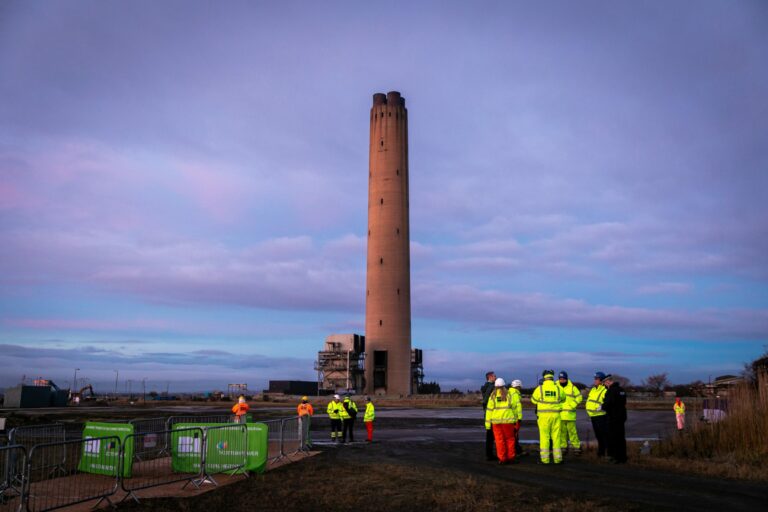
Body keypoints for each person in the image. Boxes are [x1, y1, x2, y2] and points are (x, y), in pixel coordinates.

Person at [530, 370, 566, 464]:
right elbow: (563, 398)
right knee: (556, 437)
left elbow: (533, 400)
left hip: (543, 417)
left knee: (544, 437)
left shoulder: (540, 389)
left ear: (544, 378)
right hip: (556, 416)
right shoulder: (558, 388)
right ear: (552, 377)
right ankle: (558, 459)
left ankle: (545, 460)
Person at [485, 377, 518, 464]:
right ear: (504, 385)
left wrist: (487, 425)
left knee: (499, 440)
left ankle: (502, 459)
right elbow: (514, 409)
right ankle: (511, 457)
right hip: (508, 422)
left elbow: (489, 411)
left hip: (496, 423)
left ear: (495, 386)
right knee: (510, 439)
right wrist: (515, 420)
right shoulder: (509, 395)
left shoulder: (492, 396)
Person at [602, 374, 627, 463]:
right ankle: (623, 457)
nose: (604, 385)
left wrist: (602, 406)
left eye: (604, 383)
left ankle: (615, 457)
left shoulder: (611, 391)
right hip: (621, 417)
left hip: (613, 417)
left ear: (608, 382)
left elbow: (608, 404)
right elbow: (623, 403)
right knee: (621, 437)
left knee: (613, 437)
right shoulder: (621, 390)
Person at [558, 371, 583, 455]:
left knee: (573, 433)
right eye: (560, 379)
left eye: (563, 379)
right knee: (562, 433)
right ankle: (563, 447)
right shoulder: (555, 386)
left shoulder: (572, 387)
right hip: (560, 415)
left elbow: (579, 397)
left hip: (570, 415)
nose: (562, 380)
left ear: (566, 379)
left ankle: (576, 447)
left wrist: (572, 405)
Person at [586, 371, 609, 458]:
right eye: (594, 379)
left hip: (601, 416)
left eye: (597, 379)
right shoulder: (593, 389)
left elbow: (607, 403)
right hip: (593, 416)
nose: (595, 380)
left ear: (602, 380)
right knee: (598, 435)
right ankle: (601, 453)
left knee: (604, 435)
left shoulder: (605, 390)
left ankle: (606, 453)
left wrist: (602, 407)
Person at [481, 371, 498, 461]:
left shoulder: (486, 386)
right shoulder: (491, 387)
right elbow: (485, 400)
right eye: (494, 376)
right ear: (490, 377)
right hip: (491, 415)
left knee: (490, 436)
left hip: (488, 414)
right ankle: (490, 455)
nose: (496, 377)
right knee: (491, 436)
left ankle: (489, 454)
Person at [509, 380, 524, 456]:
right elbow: (518, 406)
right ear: (518, 386)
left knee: (511, 435)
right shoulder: (515, 394)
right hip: (515, 418)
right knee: (515, 435)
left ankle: (516, 449)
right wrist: (520, 418)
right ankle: (516, 450)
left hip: (509, 417)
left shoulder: (509, 392)